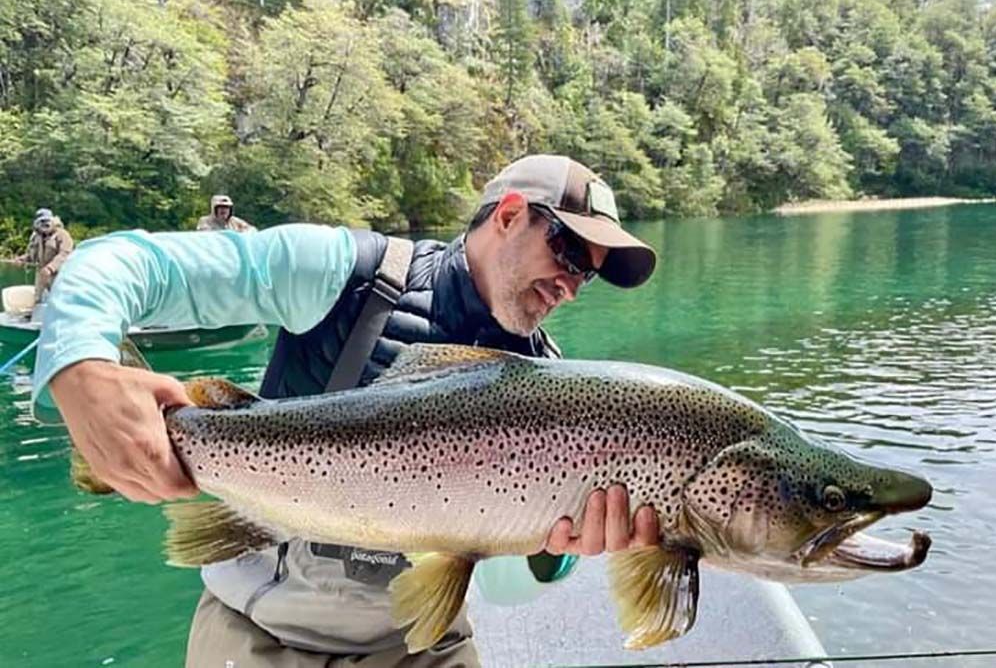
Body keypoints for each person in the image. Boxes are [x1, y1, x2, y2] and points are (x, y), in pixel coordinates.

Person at [32, 155, 659, 667]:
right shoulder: (346, 272)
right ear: (510, 214)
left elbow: (497, 585)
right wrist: (80, 366)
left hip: (421, 648)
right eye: (569, 254)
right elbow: (124, 262)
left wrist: (554, 552)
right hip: (261, 640)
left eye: (590, 276)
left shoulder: (551, 387)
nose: (573, 286)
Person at [14, 208, 74, 309]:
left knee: (59, 302)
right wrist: (22, 259)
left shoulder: (63, 235)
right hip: (41, 276)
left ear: (53, 220)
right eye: (41, 221)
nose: (44, 224)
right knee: (39, 302)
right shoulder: (36, 237)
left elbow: (65, 254)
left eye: (47, 221)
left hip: (59, 276)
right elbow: (31, 255)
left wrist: (50, 268)